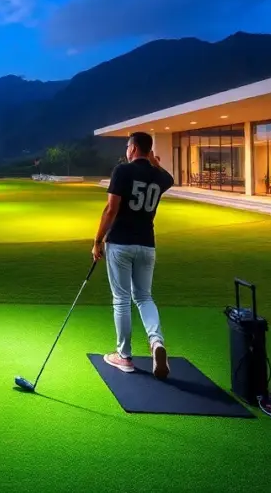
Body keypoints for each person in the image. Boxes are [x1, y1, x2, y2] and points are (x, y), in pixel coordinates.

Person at [92, 131, 174, 379]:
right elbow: (168, 178)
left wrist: (97, 241)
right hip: (147, 244)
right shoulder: (158, 176)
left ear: (134, 148)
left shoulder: (122, 171)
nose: (126, 150)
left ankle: (124, 356)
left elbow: (111, 209)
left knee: (121, 299)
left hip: (121, 243)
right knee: (144, 297)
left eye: (128, 146)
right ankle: (156, 342)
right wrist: (153, 161)